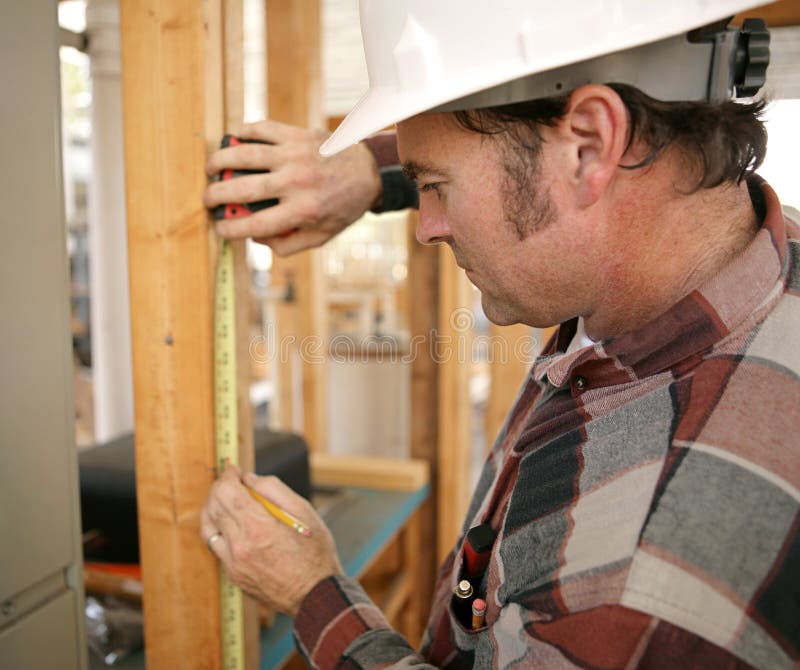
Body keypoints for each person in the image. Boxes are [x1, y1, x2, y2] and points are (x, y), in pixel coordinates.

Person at [201, 1, 799, 668]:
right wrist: (376, 173)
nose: (426, 225)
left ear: (590, 146)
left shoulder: (636, 598)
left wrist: (314, 593)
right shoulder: (739, 258)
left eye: (435, 186)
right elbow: (517, 152)